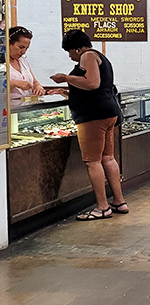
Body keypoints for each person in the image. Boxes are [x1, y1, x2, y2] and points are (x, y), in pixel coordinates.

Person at [50, 30, 128, 220]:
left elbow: (92, 83)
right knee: (108, 158)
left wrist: (66, 78)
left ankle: (102, 207)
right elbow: (96, 87)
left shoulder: (88, 56)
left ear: (77, 48)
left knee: (93, 161)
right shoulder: (102, 57)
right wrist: (69, 92)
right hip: (108, 112)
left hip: (93, 116)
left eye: (70, 52)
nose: (70, 57)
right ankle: (119, 201)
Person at [8, 26, 46, 103]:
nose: (23, 51)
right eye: (21, 47)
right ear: (8, 43)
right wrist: (15, 83)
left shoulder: (23, 61)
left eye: (26, 48)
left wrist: (38, 87)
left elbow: (34, 82)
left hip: (24, 109)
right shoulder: (2, 63)